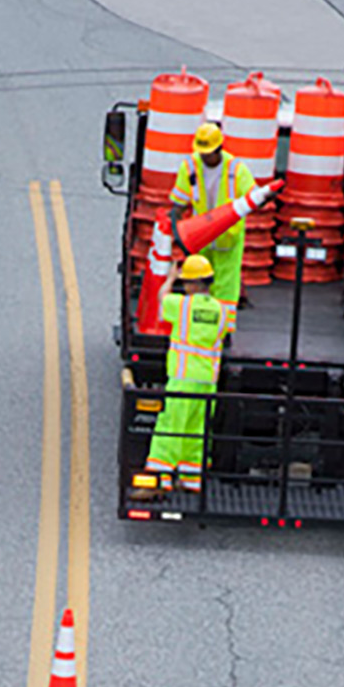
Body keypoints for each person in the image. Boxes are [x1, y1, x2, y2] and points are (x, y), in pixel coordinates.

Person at [137, 254, 229, 498]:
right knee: (196, 430)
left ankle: (159, 479)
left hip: (182, 378)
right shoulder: (221, 311)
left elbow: (161, 299)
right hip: (207, 382)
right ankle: (191, 480)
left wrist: (170, 278)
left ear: (191, 283)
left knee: (171, 427)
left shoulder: (182, 305)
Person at [170, 122, 256, 333]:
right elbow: (179, 204)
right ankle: (196, 325)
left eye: (208, 153)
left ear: (219, 149)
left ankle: (224, 330)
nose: (204, 157)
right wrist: (176, 232)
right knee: (198, 283)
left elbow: (253, 198)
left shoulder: (236, 170)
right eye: (201, 153)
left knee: (226, 286)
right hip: (201, 237)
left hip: (228, 239)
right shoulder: (190, 167)